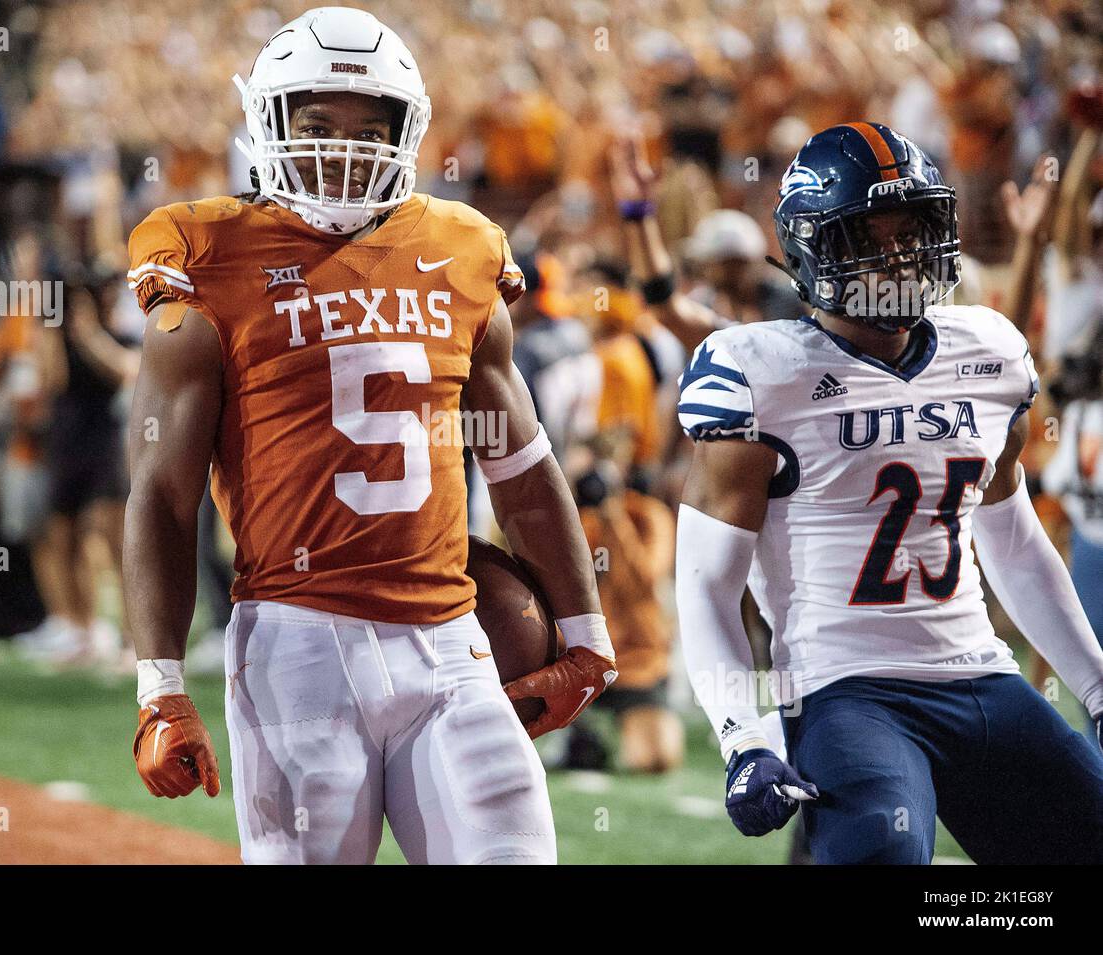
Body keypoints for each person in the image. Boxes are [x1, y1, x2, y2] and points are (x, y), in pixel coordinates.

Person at [122, 7, 616, 865]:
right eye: (318, 127)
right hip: (296, 644)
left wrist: (587, 636)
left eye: (368, 129)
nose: (345, 151)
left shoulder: (461, 249)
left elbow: (524, 466)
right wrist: (160, 687)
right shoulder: (207, 255)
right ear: (270, 124)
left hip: (451, 635)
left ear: (409, 132)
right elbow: (163, 495)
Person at [675, 122, 1103, 864]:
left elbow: (1010, 537)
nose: (899, 253)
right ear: (816, 246)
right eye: (870, 234)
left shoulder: (989, 350)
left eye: (914, 230)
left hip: (980, 671)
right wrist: (744, 736)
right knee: (881, 848)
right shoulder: (761, 371)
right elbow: (706, 583)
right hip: (846, 687)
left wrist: (1096, 688)